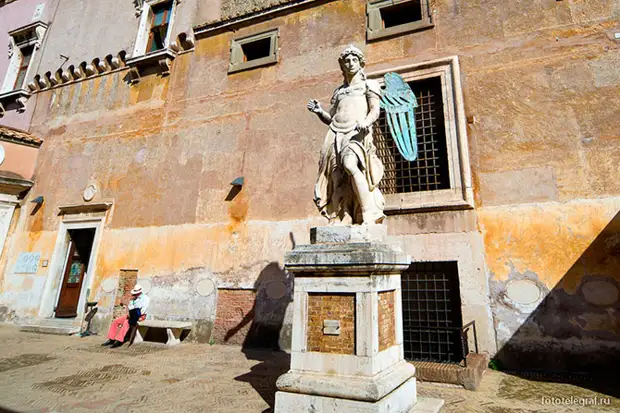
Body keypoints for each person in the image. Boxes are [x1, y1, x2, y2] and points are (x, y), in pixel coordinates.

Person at [308, 45, 385, 225]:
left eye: (354, 60)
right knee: (335, 176)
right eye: (346, 61)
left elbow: (375, 111)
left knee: (350, 165)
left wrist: (366, 122)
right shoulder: (339, 92)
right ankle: (340, 216)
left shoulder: (368, 85)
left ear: (360, 63)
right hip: (335, 133)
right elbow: (331, 118)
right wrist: (319, 111)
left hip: (356, 133)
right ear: (342, 66)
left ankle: (368, 213)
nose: (350, 64)